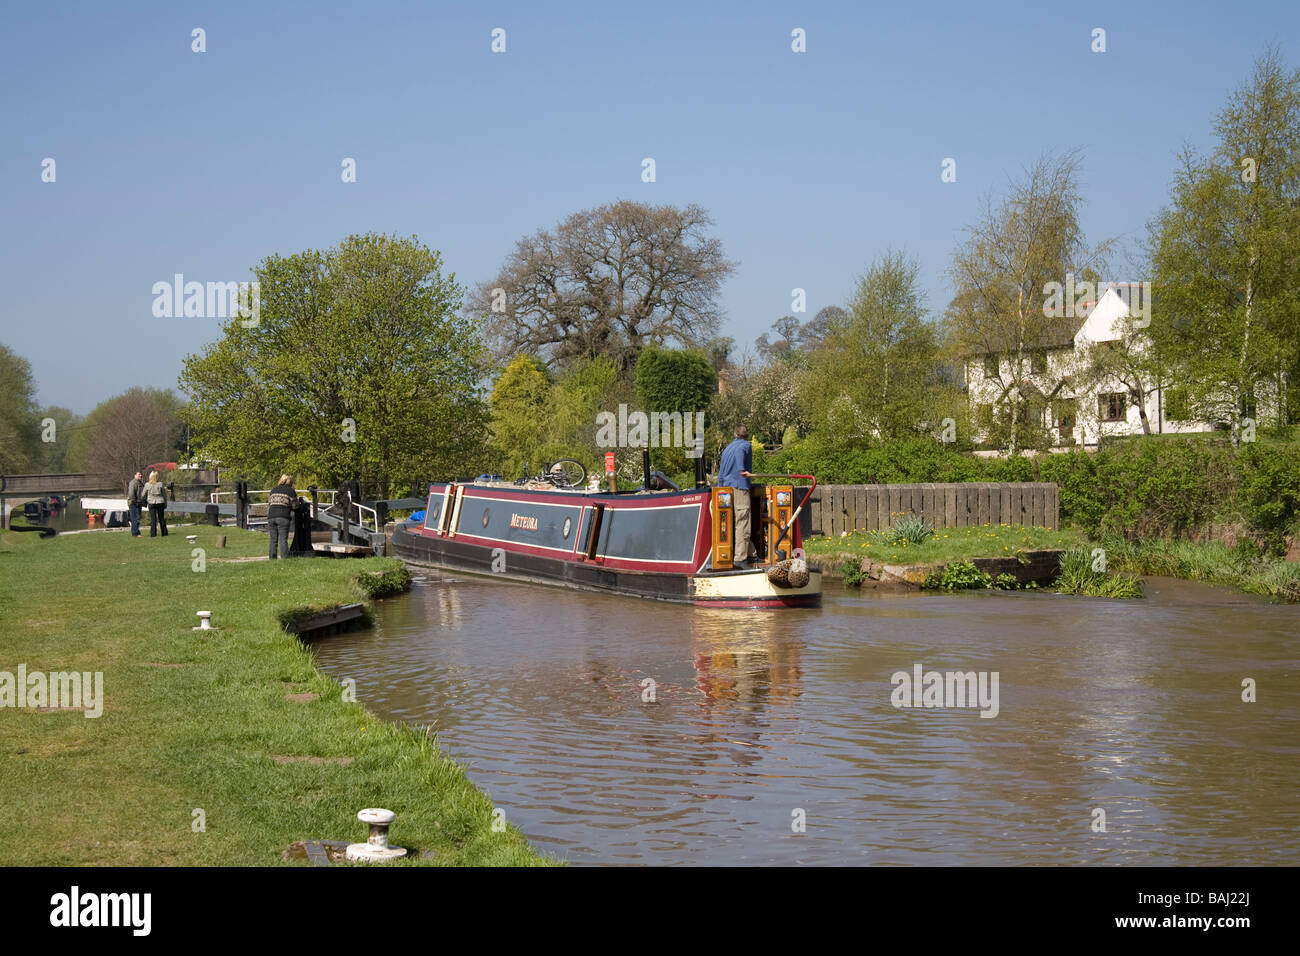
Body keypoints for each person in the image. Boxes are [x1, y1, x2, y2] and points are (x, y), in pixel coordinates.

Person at [717, 424, 754, 567]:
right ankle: (740, 558)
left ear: (734, 434)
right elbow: (740, 453)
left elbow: (720, 473)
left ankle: (751, 554)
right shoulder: (745, 445)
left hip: (725, 489)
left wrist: (720, 489)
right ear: (746, 435)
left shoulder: (727, 449)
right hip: (739, 487)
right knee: (743, 522)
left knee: (730, 522)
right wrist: (741, 469)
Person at [266, 473, 296, 560]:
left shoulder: (273, 490)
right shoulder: (290, 490)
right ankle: (284, 558)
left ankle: (272, 559)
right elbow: (295, 506)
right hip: (283, 516)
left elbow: (269, 504)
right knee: (283, 539)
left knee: (273, 540)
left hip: (271, 516)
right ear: (289, 481)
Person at [144, 470, 168, 537]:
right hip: (160, 502)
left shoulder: (147, 485)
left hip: (151, 503)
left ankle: (153, 534)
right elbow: (164, 495)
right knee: (161, 518)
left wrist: (144, 501)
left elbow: (143, 494)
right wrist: (165, 503)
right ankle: (164, 533)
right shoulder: (160, 484)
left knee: (153, 519)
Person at [126, 471, 145, 537]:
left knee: (137, 518)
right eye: (139, 474)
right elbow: (131, 494)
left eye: (141, 474)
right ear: (135, 475)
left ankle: (137, 533)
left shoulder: (140, 483)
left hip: (138, 503)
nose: (140, 475)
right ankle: (135, 533)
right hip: (133, 503)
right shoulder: (133, 483)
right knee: (135, 518)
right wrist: (135, 502)